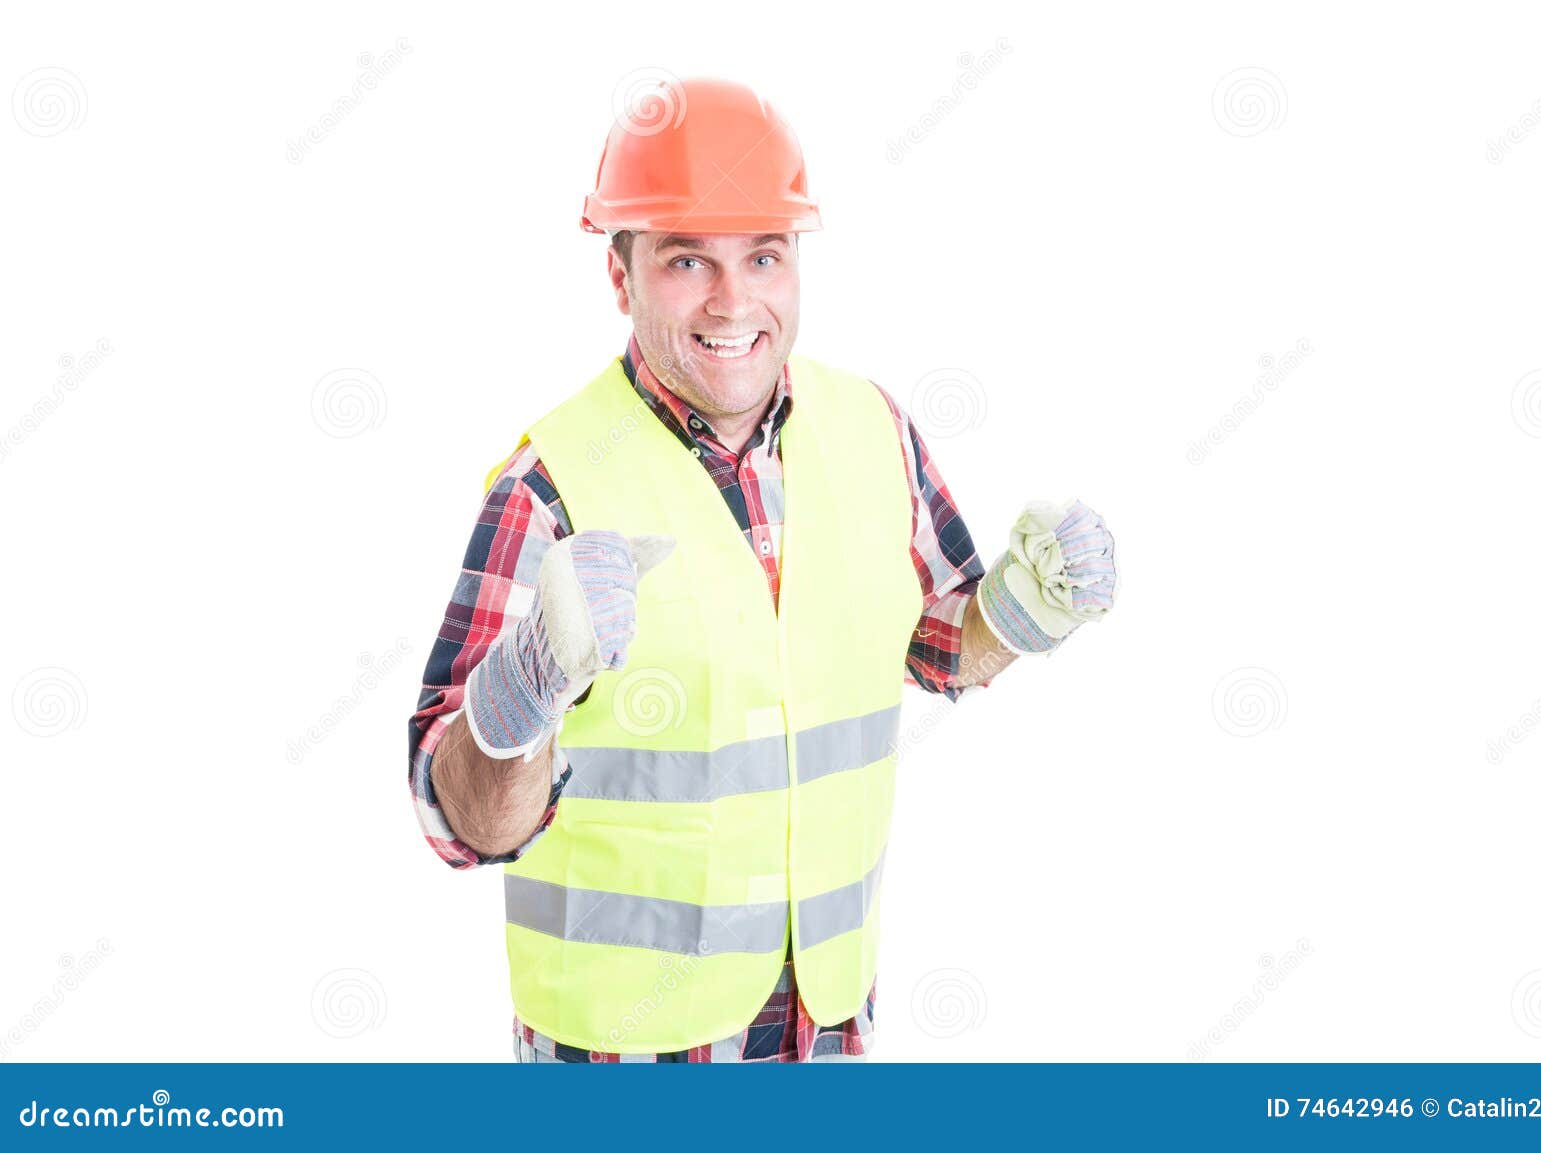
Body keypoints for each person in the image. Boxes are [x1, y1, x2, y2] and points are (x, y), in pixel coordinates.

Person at [406, 76, 1118, 1063]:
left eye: (764, 256)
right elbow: (460, 824)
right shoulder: (550, 485)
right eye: (686, 259)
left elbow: (933, 645)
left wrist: (1021, 607)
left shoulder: (873, 430)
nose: (734, 301)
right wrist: (522, 690)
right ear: (619, 274)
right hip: (623, 1054)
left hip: (825, 1026)